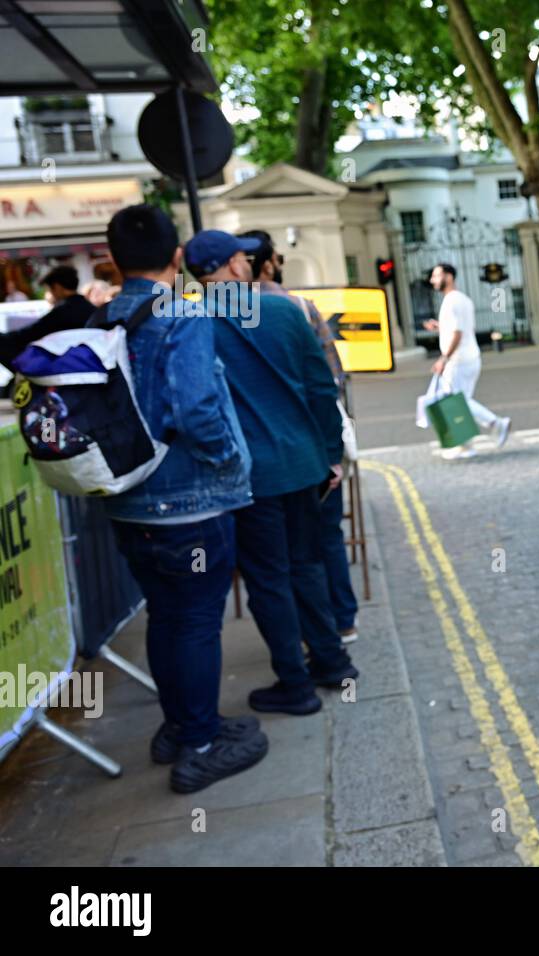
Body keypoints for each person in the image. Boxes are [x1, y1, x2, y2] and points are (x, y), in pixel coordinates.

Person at [98, 205, 267, 794]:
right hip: (189, 504)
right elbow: (196, 408)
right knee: (197, 622)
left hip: (127, 502)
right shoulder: (181, 315)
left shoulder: (105, 317)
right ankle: (199, 741)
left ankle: (177, 725)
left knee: (166, 618)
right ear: (177, 258)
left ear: (114, 259)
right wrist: (225, 460)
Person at [185, 229, 357, 716]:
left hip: (248, 475)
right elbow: (322, 387)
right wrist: (331, 453)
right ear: (235, 265)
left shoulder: (193, 319)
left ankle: (295, 684)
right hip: (304, 462)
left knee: (267, 578)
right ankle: (332, 661)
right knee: (306, 564)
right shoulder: (286, 310)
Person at [240, 229, 359, 645]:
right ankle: (341, 621)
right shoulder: (298, 308)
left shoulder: (223, 314)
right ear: (271, 261)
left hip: (261, 457)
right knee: (325, 537)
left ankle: (304, 637)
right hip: (310, 445)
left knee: (277, 559)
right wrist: (331, 448)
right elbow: (333, 377)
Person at [419, 264, 510, 460]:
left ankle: (495, 423)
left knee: (457, 401)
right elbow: (460, 328)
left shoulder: (451, 302)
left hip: (458, 360)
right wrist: (440, 327)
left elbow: (458, 334)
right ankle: (465, 446)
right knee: (459, 402)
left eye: (436, 276)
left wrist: (444, 358)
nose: (433, 280)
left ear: (449, 277)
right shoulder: (463, 300)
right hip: (469, 357)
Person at [0, 265, 96, 367]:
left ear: (57, 287)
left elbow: (28, 333)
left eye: (50, 290)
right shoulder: (91, 309)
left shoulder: (62, 312)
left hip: (63, 367)